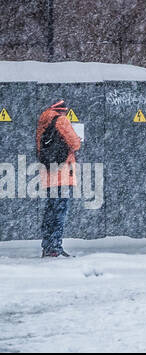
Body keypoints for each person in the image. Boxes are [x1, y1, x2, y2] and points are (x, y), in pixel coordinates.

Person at [36, 100, 81, 258]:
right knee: (59, 211)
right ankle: (55, 247)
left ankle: (47, 246)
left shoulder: (43, 122)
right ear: (62, 110)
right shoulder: (61, 120)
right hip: (62, 174)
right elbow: (75, 143)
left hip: (49, 174)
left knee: (50, 211)